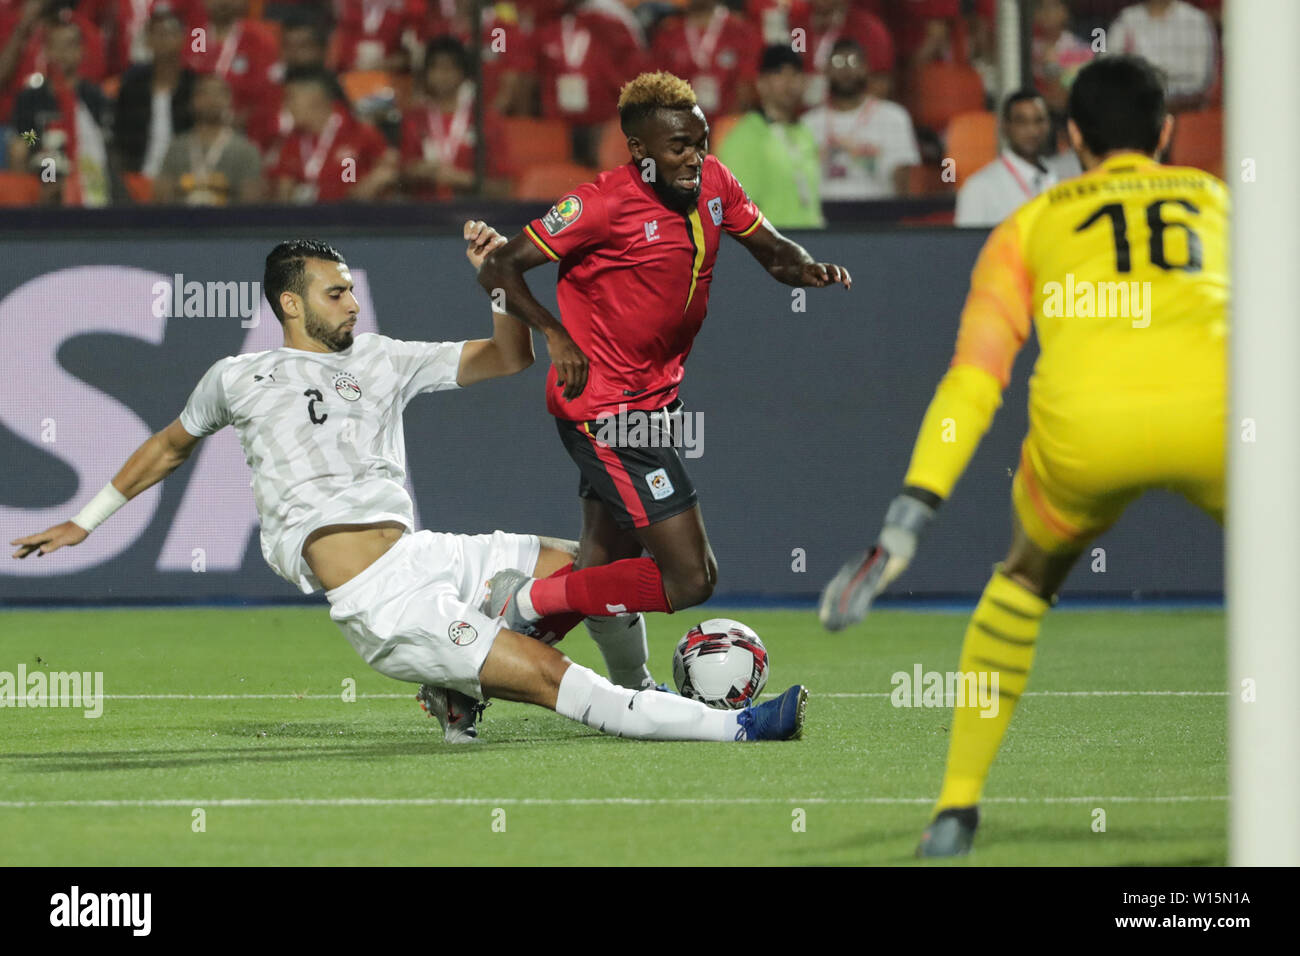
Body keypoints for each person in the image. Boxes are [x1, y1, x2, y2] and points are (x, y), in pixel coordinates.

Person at [9, 225, 809, 746]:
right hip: (381, 601)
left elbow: (507, 359)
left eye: (352, 287)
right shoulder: (237, 376)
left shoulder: (380, 358)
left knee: (591, 577)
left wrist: (498, 282)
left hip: (427, 556)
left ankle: (619, 689)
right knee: (551, 680)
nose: (352, 300)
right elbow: (170, 445)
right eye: (334, 291)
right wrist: (88, 518)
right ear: (290, 304)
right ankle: (733, 729)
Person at [819, 55, 1226, 856]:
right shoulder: (1219, 201)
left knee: (1022, 582)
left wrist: (914, 509)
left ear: (1073, 138)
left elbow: (974, 381)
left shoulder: (1030, 224)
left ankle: (956, 811)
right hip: (1221, 423)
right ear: (1169, 132)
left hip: (1086, 435)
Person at [473, 71, 850, 654]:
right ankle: (522, 601)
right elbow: (498, 268)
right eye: (679, 148)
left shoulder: (715, 182)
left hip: (654, 402)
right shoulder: (599, 203)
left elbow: (773, 249)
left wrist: (806, 267)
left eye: (700, 143)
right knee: (691, 577)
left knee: (605, 561)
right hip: (608, 411)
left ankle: (479, 671)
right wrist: (554, 334)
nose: (695, 158)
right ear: (640, 151)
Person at [8, 11, 112, 206]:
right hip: (47, 162)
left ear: (82, 50)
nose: (62, 54)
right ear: (47, 50)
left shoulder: (95, 96)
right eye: (56, 46)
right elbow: (25, 135)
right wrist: (39, 138)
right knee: (34, 156)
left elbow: (105, 138)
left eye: (69, 46)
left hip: (87, 165)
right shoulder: (31, 97)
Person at [717, 46, 824, 228]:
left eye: (795, 74)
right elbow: (736, 211)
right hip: (773, 247)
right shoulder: (744, 137)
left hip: (811, 243)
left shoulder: (805, 132)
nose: (789, 82)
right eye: (779, 73)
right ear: (761, 83)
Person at [800, 37, 919, 200]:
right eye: (838, 62)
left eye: (854, 62)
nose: (846, 69)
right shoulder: (807, 123)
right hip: (823, 216)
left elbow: (903, 182)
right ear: (826, 70)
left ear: (866, 68)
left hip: (878, 215)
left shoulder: (894, 117)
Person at [399, 35, 511, 200]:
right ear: (426, 73)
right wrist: (419, 171)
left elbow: (504, 188)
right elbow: (399, 176)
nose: (441, 75)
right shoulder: (414, 119)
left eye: (449, 68)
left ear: (463, 73)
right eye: (435, 68)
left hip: (473, 213)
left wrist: (464, 179)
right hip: (423, 214)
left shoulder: (485, 120)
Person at [271, 66, 398, 203]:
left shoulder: (359, 131)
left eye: (291, 98)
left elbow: (390, 169)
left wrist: (371, 184)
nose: (286, 106)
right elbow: (283, 194)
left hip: (357, 218)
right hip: (309, 220)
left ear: (316, 98)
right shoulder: (292, 141)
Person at [153, 72, 265, 204]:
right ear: (193, 100)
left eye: (218, 94)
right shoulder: (176, 148)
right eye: (204, 93)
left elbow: (251, 200)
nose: (211, 99)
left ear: (228, 100)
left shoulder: (246, 151)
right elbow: (161, 195)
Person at [111, 5, 196, 177]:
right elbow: (120, 138)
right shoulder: (132, 88)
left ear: (183, 39)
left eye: (171, 33)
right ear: (148, 41)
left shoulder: (194, 86)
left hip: (187, 176)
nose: (165, 39)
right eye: (159, 34)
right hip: (139, 174)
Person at [954, 90, 1056, 227]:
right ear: (1005, 127)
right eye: (1021, 121)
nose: (1032, 130)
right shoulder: (979, 187)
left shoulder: (1059, 177)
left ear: (1049, 125)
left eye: (1039, 120)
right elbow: (965, 245)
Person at [649, 0, 761, 117]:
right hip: (681, 126)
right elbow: (658, 88)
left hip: (728, 126)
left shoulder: (740, 31)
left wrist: (728, 126)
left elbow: (747, 87)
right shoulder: (668, 33)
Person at [1108, 0, 1216, 110]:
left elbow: (1201, 84)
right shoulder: (1126, 20)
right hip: (1134, 113)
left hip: (1186, 114)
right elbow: (1106, 73)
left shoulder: (1196, 20)